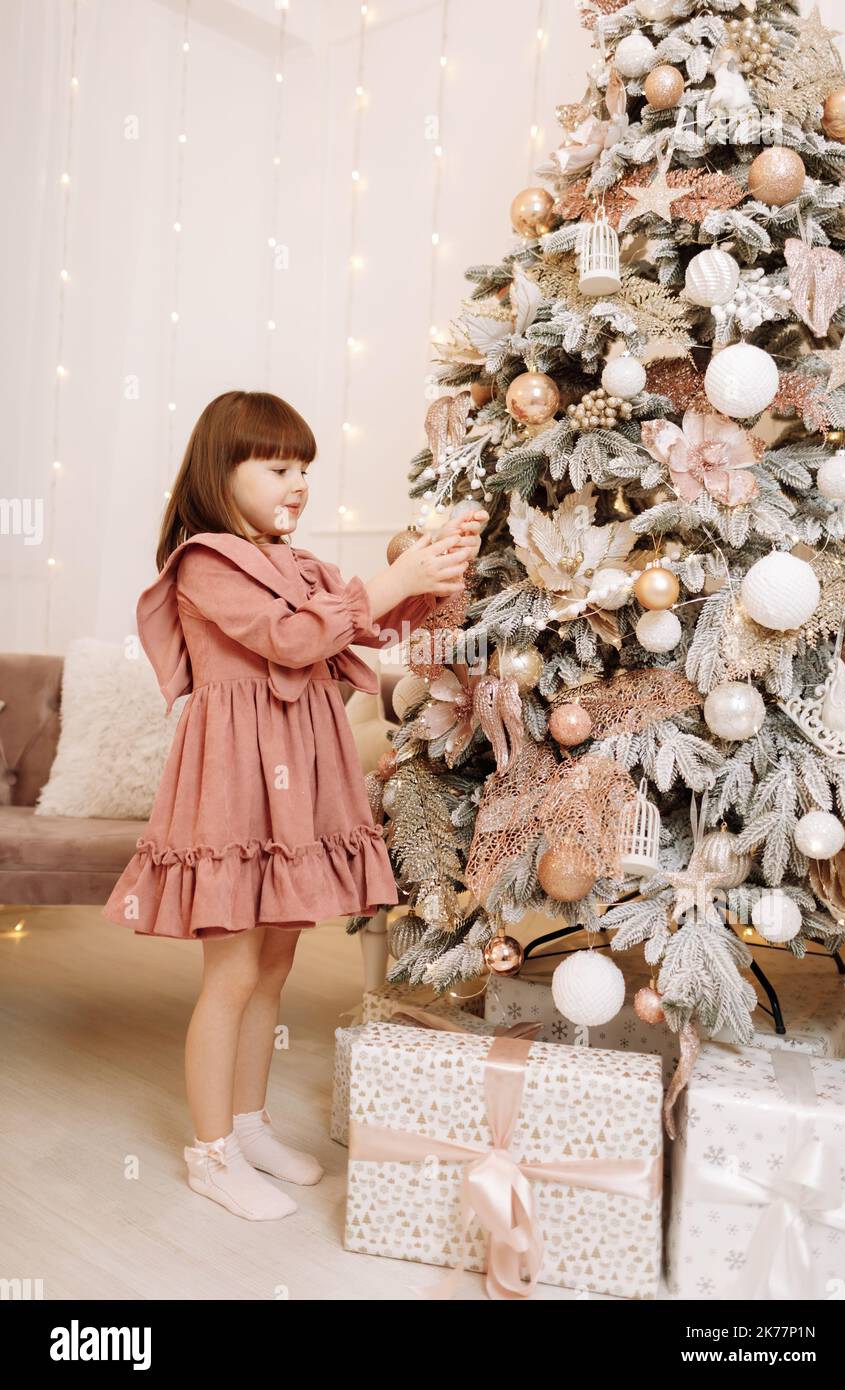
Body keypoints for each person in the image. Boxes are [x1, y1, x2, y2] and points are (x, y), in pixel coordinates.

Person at [101, 389, 486, 1221]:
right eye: (277, 467)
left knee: (275, 960)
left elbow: (367, 628)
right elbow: (296, 639)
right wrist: (389, 582)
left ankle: (246, 1124)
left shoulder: (300, 564)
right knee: (235, 967)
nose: (298, 483)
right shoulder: (204, 562)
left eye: (305, 468)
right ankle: (209, 1152)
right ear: (221, 470)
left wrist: (429, 565)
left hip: (301, 779)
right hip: (238, 784)